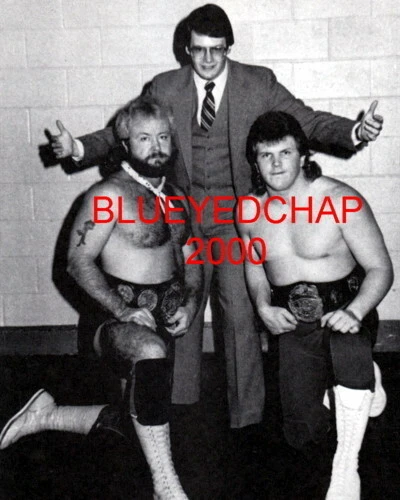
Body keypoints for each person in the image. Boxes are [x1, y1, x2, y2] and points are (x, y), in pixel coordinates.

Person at [48, 4, 384, 430]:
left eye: (216, 50)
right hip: (183, 217)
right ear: (186, 49)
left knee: (240, 312)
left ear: (229, 48)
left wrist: (354, 132)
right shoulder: (166, 86)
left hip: (233, 218)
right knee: (182, 310)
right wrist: (78, 148)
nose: (207, 59)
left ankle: (247, 418)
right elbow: (127, 129)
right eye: (198, 50)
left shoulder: (258, 83)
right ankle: (177, 408)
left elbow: (306, 120)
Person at [1, 96, 203, 500]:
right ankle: (167, 488)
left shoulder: (177, 197)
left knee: (140, 419)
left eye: (163, 137)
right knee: (149, 356)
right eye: (144, 138)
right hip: (112, 320)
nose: (156, 147)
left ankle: (47, 415)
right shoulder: (107, 195)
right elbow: (77, 263)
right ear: (125, 144)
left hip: (161, 319)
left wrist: (192, 303)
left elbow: (193, 256)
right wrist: (122, 310)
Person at [237, 111, 392, 499]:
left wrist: (355, 312)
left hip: (345, 311)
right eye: (266, 155)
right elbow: (254, 268)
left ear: (303, 154)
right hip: (295, 325)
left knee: (348, 351)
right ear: (254, 161)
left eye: (285, 153)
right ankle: (355, 381)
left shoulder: (340, 200)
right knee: (302, 432)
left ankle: (346, 468)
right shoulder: (248, 211)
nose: (276, 164)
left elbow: (381, 269)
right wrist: (263, 307)